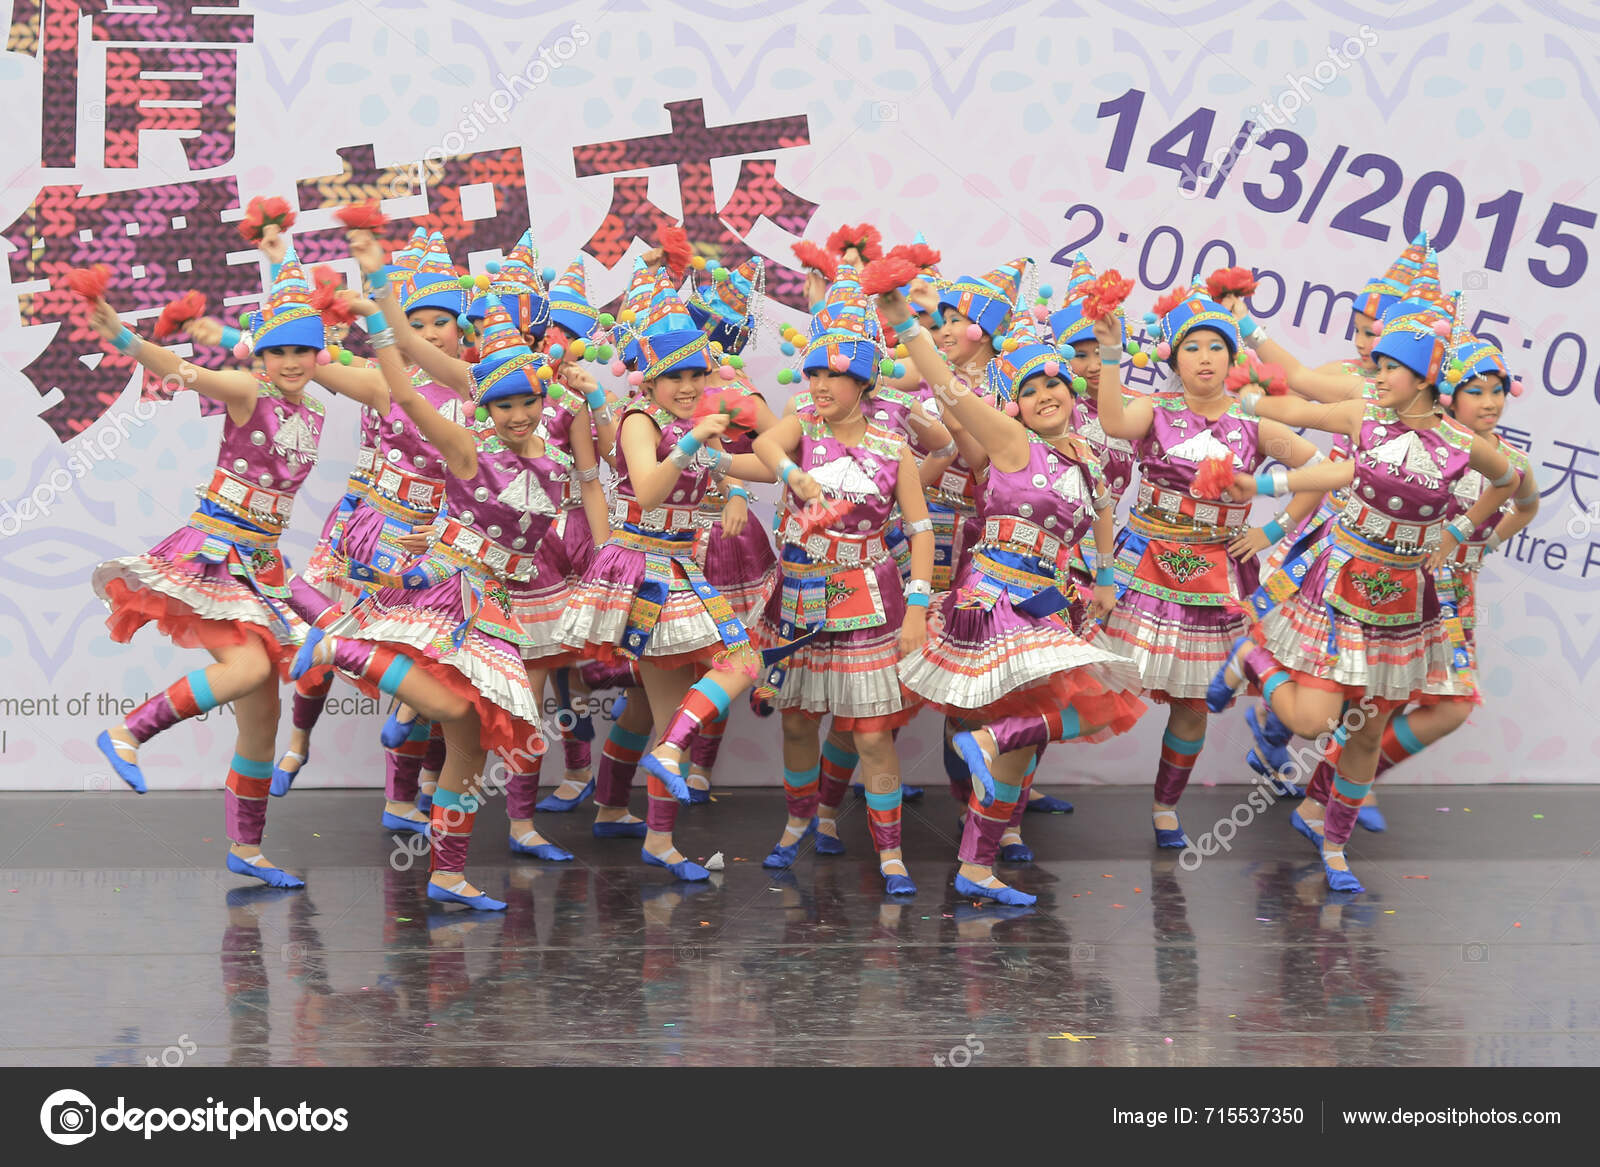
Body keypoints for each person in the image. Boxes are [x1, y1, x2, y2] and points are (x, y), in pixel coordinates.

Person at [90, 243, 399, 887]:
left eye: (301, 351)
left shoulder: (315, 406)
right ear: (258, 356)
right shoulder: (244, 390)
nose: (290, 362)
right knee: (250, 666)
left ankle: (246, 848)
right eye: (277, 351)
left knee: (264, 719)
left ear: (318, 354)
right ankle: (128, 732)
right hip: (216, 557)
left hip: (263, 564)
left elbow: (379, 384)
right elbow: (178, 368)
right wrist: (124, 335)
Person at [1206, 275, 1518, 892]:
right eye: (1371, 360)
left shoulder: (1463, 444)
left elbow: (1512, 487)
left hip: (1408, 601)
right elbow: (1300, 410)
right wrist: (1238, 394)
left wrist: (1460, 534)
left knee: (1369, 728)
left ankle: (1335, 845)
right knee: (1318, 723)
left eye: (1386, 364)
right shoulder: (1364, 413)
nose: (1372, 371)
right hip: (1343, 584)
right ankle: (1254, 654)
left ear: (1426, 377)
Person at [885, 287, 1147, 906]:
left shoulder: (1084, 457)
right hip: (996, 595)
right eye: (1029, 389)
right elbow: (948, 386)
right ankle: (985, 748)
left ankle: (976, 865)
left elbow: (1105, 516)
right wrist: (904, 323)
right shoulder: (1010, 442)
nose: (1046, 394)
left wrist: (1106, 578)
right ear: (1016, 406)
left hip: (1048, 602)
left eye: (1055, 382)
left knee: (1040, 735)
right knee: (1098, 703)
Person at [1090, 281, 1324, 847]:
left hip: (1218, 573)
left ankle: (1166, 810)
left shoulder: (1255, 424)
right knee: (1100, 681)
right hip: (1144, 562)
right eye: (1192, 347)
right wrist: (1113, 356)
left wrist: (1272, 527)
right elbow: (1114, 424)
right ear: (1174, 355)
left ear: (1232, 356)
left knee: (1194, 702)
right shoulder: (1156, 410)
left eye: (1216, 347)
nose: (1204, 358)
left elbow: (1319, 470)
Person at [557, 282, 775, 880]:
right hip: (643, 572)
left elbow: (758, 463)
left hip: (678, 566)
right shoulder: (638, 418)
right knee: (726, 671)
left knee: (671, 706)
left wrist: (746, 475)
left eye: (697, 376)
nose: (687, 388)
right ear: (649, 382)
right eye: (674, 377)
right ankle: (664, 792)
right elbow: (649, 488)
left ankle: (637, 819)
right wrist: (697, 444)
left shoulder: (698, 421)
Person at [749, 261, 936, 895]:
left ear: (865, 381)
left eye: (837, 373)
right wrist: (790, 473)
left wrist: (916, 610)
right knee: (798, 719)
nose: (822, 382)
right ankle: (799, 824)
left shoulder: (893, 444)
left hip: (869, 596)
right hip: (799, 594)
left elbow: (919, 531)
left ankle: (889, 854)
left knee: (873, 731)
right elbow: (767, 448)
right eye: (815, 371)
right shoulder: (802, 422)